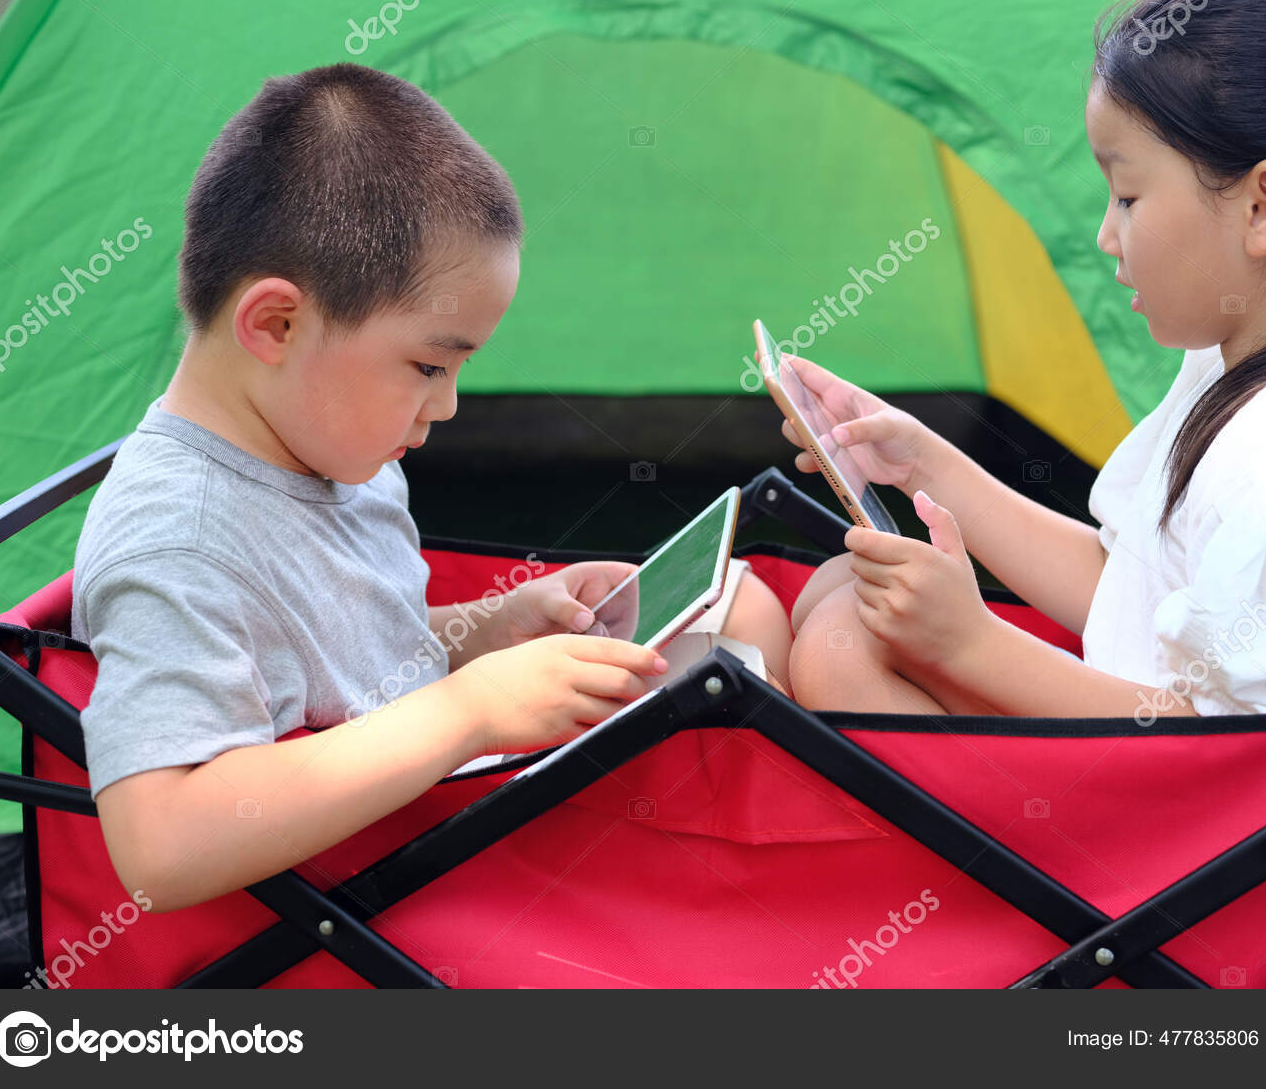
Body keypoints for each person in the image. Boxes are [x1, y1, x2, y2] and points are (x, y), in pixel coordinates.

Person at [77, 63, 790, 915]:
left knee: (739, 608)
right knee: (766, 661)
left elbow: (345, 659)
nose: (447, 405)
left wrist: (490, 630)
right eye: (427, 365)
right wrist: (468, 712)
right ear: (275, 324)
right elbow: (163, 844)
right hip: (407, 901)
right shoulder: (180, 540)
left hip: (450, 829)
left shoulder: (340, 454)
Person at [773, 0, 1266, 720]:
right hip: (1134, 771)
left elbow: (1242, 756)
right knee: (847, 594)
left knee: (840, 656)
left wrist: (971, 646)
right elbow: (1125, 585)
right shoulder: (1238, 373)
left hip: (1176, 824)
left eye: (1128, 195)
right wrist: (921, 461)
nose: (1106, 235)